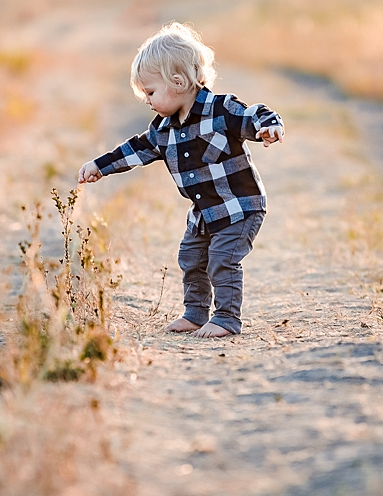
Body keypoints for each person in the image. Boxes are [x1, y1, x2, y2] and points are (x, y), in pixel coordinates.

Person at [77, 22, 283, 339]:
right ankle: (196, 313)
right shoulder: (163, 128)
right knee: (190, 258)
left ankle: (227, 319)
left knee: (222, 260)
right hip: (205, 213)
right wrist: (100, 166)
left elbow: (253, 115)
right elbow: (137, 148)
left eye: (150, 92)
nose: (146, 100)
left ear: (177, 81)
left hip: (239, 208)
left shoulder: (220, 109)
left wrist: (268, 128)